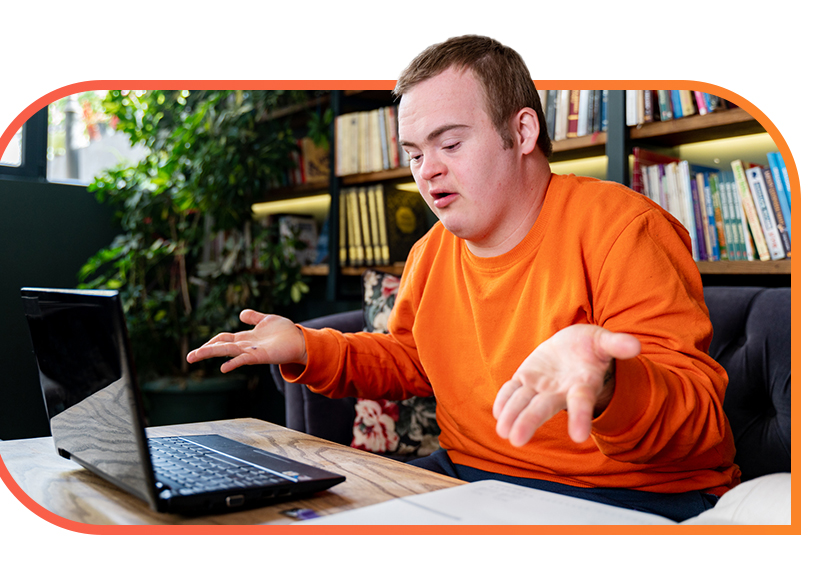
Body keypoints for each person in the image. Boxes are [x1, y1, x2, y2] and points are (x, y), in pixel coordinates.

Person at [187, 35, 739, 522]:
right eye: (414, 152)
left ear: (522, 131)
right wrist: (308, 346)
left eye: (449, 144)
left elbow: (700, 421)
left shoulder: (625, 228)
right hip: (469, 478)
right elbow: (411, 359)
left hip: (630, 497)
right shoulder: (431, 251)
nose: (427, 170)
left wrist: (610, 383)